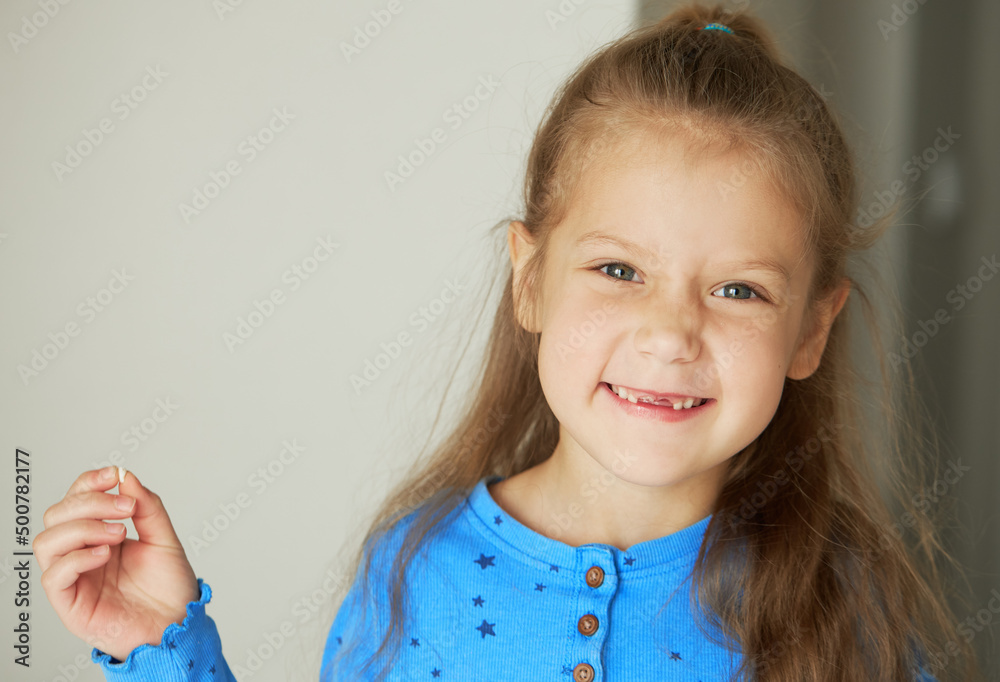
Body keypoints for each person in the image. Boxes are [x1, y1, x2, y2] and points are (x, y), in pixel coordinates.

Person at [35, 3, 981, 681]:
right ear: (530, 278)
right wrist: (165, 646)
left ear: (812, 329)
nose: (669, 331)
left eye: (738, 289)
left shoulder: (846, 601)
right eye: (619, 271)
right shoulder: (413, 570)